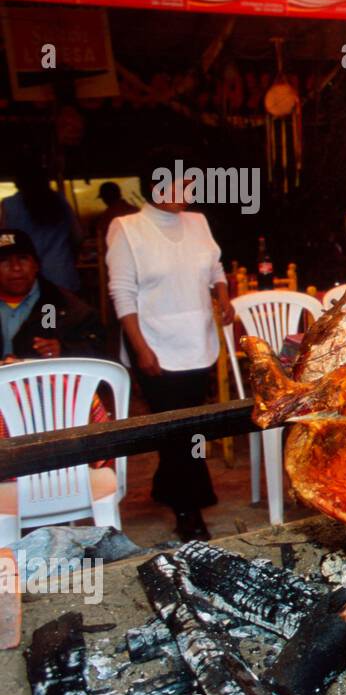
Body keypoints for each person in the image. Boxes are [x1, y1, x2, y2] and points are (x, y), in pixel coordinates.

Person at [106, 159, 235, 542]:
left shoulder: (197, 222)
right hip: (155, 345)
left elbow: (215, 267)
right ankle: (187, 510)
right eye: (183, 183)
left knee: (191, 425)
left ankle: (168, 485)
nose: (190, 191)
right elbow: (122, 294)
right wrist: (140, 347)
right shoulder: (127, 229)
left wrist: (224, 295)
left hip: (197, 342)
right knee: (175, 429)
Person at [0, 229, 104, 361]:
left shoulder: (63, 305)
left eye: (23, 258)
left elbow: (99, 348)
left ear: (36, 265)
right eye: (4, 261)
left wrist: (64, 350)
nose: (16, 268)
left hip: (46, 379)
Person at [0, 164, 83, 292]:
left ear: (17, 182)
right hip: (61, 274)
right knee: (55, 311)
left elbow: (4, 242)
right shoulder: (60, 201)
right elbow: (78, 236)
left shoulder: (9, 205)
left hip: (24, 278)